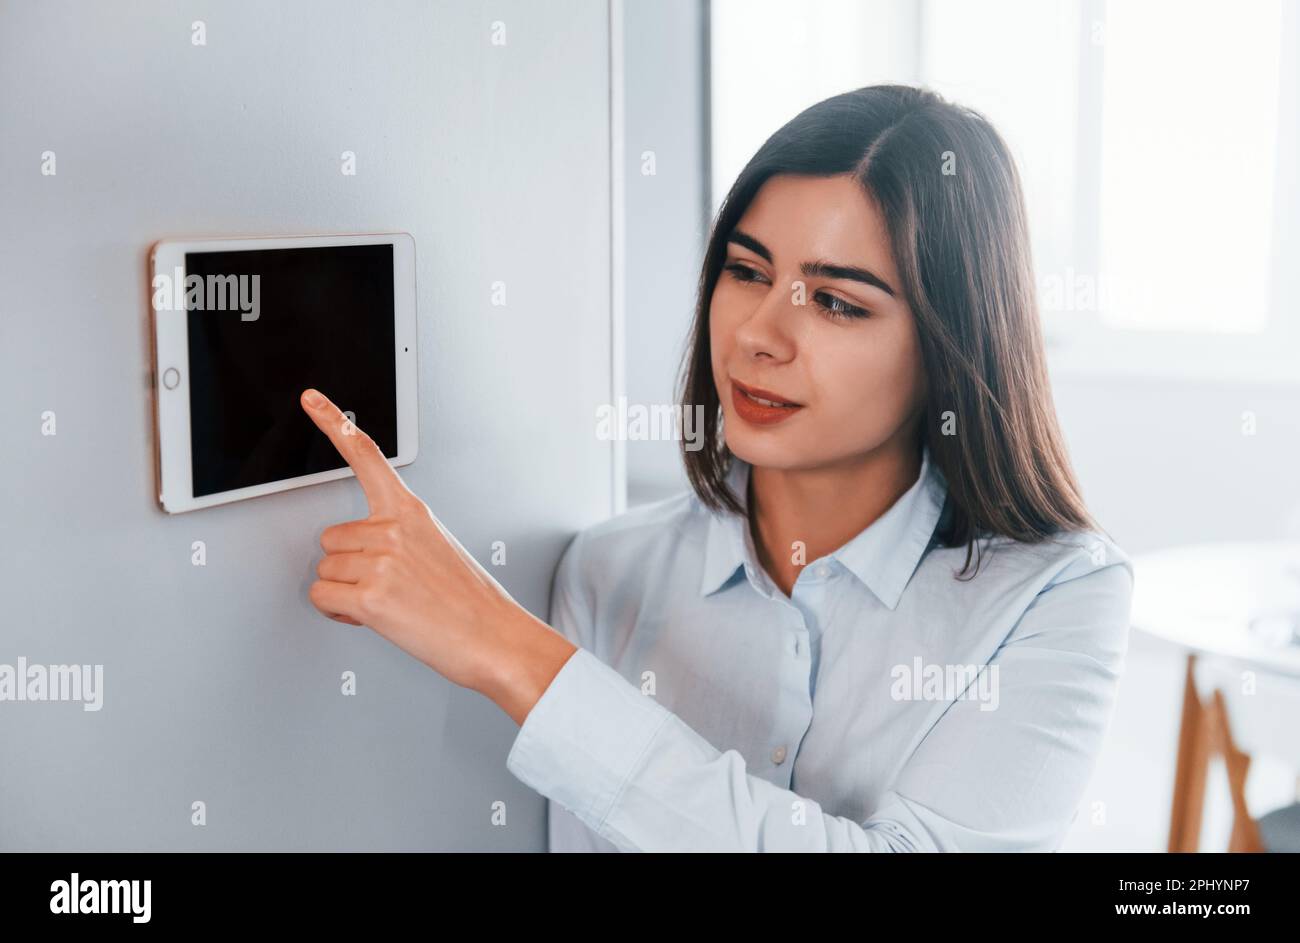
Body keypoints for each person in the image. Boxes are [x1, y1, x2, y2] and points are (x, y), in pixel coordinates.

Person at [298, 84, 1135, 852]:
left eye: (838, 302)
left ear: (951, 346)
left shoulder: (1057, 596)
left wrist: (508, 649)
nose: (758, 335)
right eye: (746, 271)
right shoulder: (608, 571)